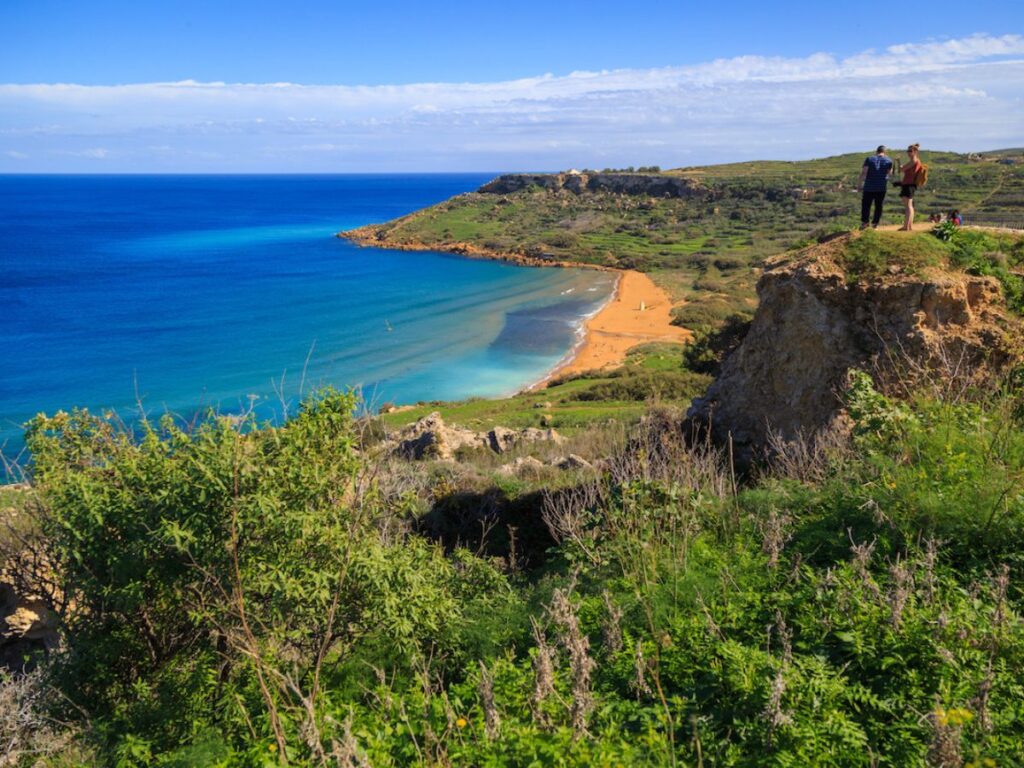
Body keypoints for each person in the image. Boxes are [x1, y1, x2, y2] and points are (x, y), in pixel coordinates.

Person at [856, 145, 894, 229]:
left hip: (869, 186)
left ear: (876, 151)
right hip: (881, 187)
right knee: (878, 206)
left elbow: (864, 173)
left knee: (866, 205)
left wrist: (859, 185)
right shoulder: (889, 161)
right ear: (885, 152)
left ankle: (865, 223)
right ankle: (875, 224)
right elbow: (890, 175)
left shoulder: (869, 159)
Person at [896, 143, 923, 231]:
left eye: (910, 151)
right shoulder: (916, 161)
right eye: (908, 151)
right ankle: (909, 226)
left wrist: (898, 161)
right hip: (911, 184)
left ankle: (905, 226)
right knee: (910, 206)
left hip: (908, 184)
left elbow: (901, 169)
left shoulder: (913, 161)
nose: (908, 153)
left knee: (907, 206)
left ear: (915, 152)